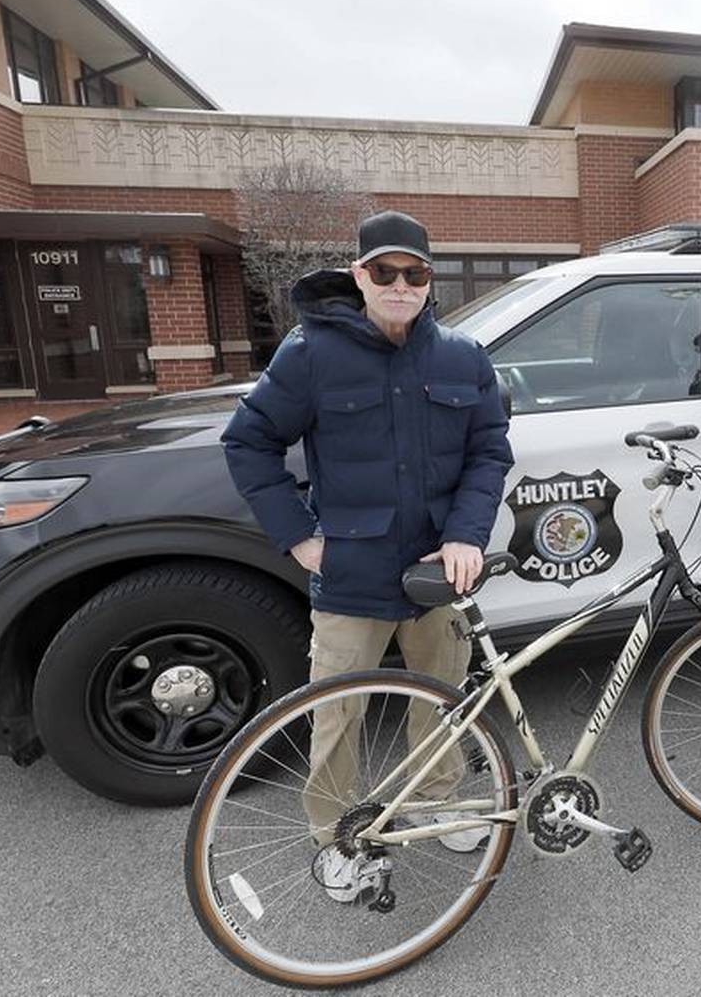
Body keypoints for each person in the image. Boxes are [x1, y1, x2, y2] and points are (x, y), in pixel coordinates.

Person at [221, 209, 513, 900]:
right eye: (385, 271)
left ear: (428, 279)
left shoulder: (462, 358)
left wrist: (467, 534)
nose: (401, 284)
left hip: (438, 574)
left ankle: (434, 801)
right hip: (351, 572)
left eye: (415, 273)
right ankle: (336, 838)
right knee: (337, 713)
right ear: (360, 275)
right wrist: (297, 535)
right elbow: (248, 441)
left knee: (444, 697)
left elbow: (488, 451)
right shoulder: (311, 353)